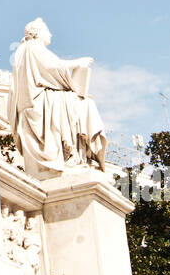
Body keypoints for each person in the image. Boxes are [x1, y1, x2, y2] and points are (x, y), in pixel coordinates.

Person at [8, 18, 107, 176]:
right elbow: (53, 67)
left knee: (85, 103)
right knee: (85, 104)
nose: (51, 34)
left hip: (42, 98)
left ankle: (82, 156)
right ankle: (75, 155)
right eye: (47, 31)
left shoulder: (27, 48)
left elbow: (52, 72)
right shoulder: (32, 46)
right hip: (38, 101)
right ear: (38, 33)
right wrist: (79, 63)